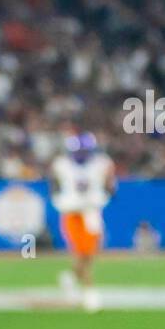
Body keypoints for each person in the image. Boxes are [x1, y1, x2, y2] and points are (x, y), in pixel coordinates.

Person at [51, 131, 115, 312]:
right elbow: (54, 185)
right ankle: (90, 292)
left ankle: (70, 277)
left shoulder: (102, 164)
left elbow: (110, 186)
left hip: (91, 212)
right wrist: (59, 202)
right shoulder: (61, 165)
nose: (81, 155)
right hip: (72, 213)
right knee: (80, 251)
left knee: (90, 253)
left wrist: (106, 192)